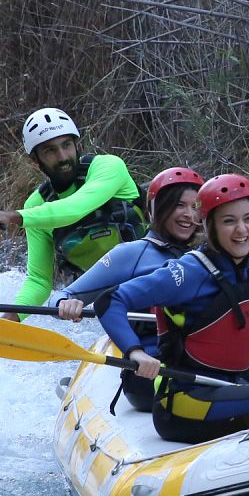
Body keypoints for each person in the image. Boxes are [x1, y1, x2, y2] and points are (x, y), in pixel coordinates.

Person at [98, 173, 249, 445]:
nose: (241, 230)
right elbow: (111, 301)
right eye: (229, 221)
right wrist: (135, 351)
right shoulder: (186, 273)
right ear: (209, 226)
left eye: (248, 219)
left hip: (230, 380)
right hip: (184, 399)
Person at [53, 166, 205, 411]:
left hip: (195, 365)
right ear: (156, 209)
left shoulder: (203, 257)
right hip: (147, 373)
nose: (189, 215)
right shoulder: (131, 254)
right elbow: (63, 295)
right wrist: (65, 304)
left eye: (195, 207)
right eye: (179, 205)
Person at [0, 107, 146, 311]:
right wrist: (11, 319)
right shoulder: (36, 204)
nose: (63, 156)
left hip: (154, 280)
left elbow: (74, 209)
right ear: (35, 160)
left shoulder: (109, 167)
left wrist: (13, 216)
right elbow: (39, 280)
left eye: (67, 145)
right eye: (50, 150)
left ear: (76, 144)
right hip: (109, 303)